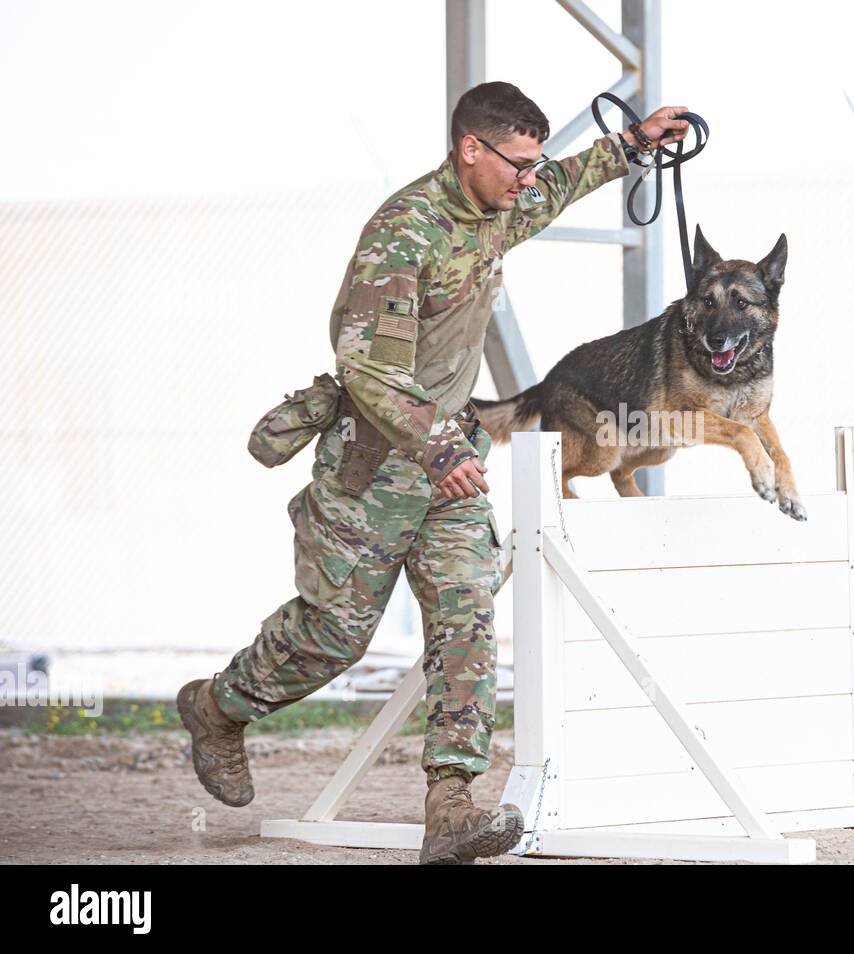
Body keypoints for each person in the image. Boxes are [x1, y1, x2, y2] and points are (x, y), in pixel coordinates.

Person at [176, 81, 689, 864]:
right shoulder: (404, 233)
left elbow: (562, 181)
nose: (528, 178)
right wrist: (439, 450)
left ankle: (451, 808)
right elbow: (369, 371)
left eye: (532, 163)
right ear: (469, 149)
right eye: (515, 162)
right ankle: (218, 707)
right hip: (377, 465)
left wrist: (634, 145)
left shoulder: (504, 199)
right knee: (333, 637)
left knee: (466, 620)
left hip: (450, 460)